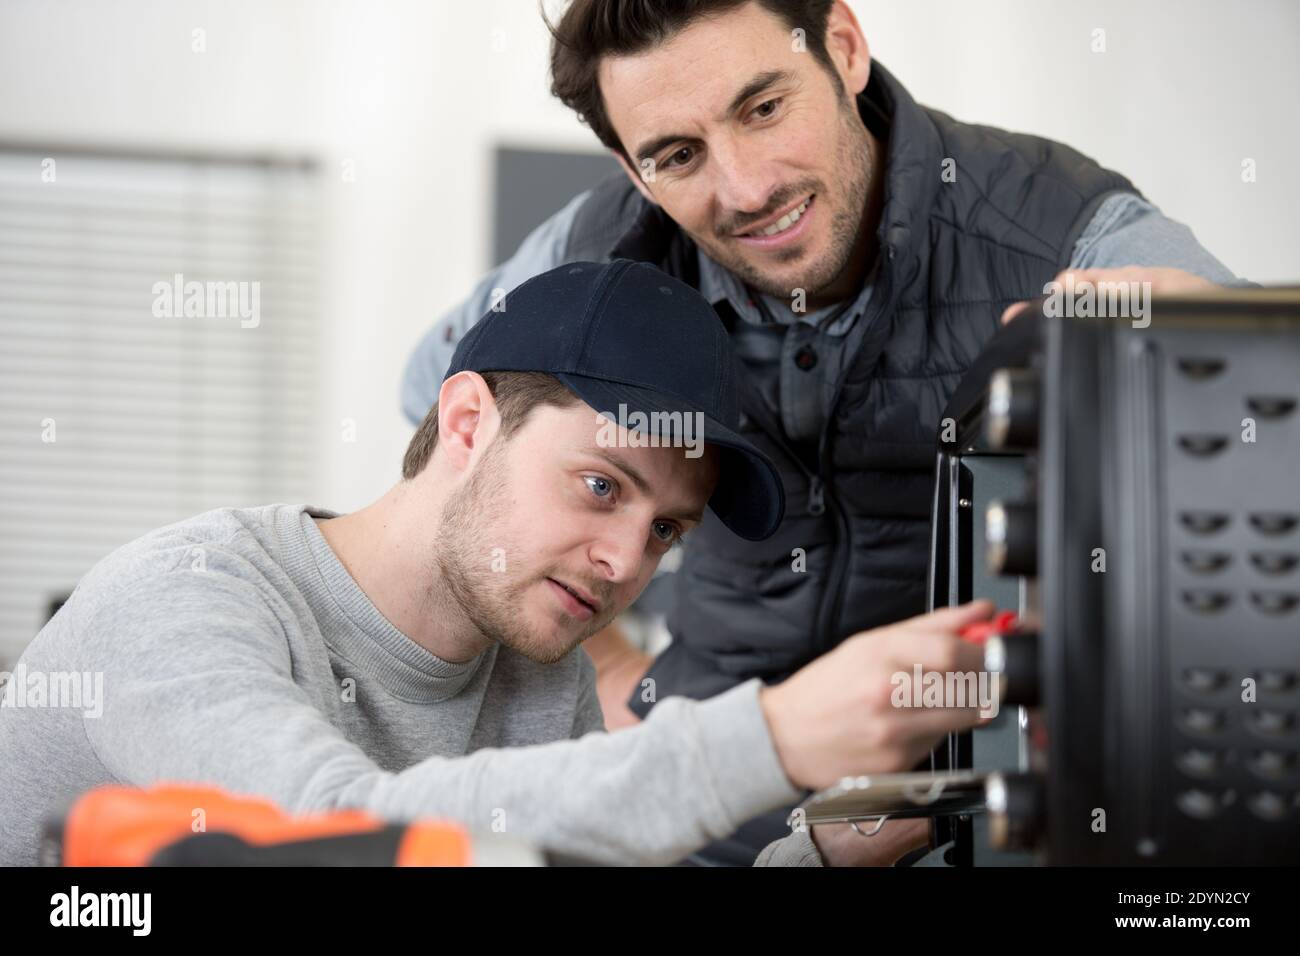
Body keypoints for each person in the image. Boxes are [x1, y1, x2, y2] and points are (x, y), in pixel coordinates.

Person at [400, 0, 1244, 861]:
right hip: (705, 792)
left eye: (764, 108)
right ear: (632, 166)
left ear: (843, 47)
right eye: (678, 154)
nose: (747, 188)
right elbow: (436, 393)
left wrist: (1215, 356)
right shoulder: (596, 249)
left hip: (969, 799)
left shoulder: (1064, 225)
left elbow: (1262, 426)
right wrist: (608, 668)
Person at [0, 259, 994, 867]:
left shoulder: (536, 664)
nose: (622, 563)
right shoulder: (181, 600)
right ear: (467, 419)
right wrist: (775, 733)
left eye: (664, 531)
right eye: (602, 485)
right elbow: (327, 836)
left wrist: (814, 853)